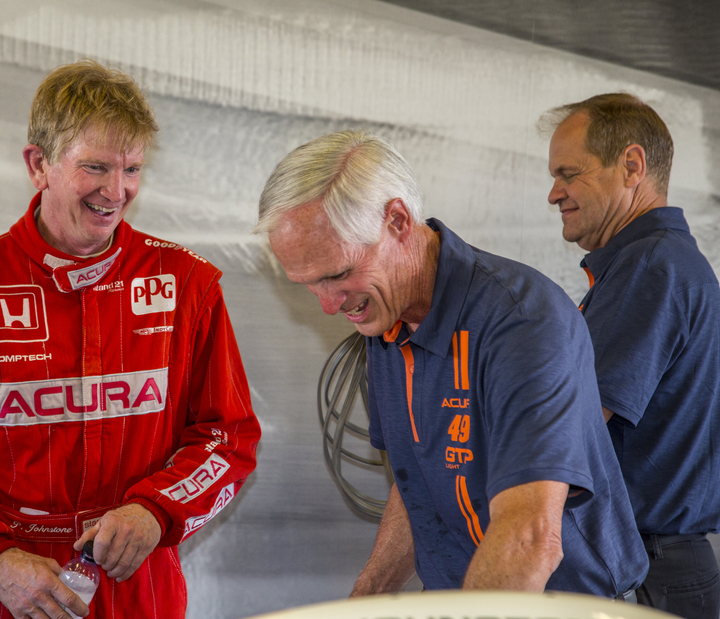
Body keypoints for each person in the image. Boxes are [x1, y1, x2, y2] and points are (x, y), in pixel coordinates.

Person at [0, 59, 261, 619]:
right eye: (95, 167)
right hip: (13, 589)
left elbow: (230, 435)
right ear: (38, 165)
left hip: (139, 585)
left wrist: (154, 511)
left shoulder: (188, 285)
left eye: (132, 170)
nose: (116, 191)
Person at [255, 129, 647, 596]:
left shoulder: (522, 322)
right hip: (460, 598)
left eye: (339, 274)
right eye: (308, 283)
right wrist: (369, 597)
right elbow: (418, 476)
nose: (328, 304)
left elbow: (531, 539)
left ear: (398, 220)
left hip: (560, 603)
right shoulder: (384, 322)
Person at [542, 93, 720, 618]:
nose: (554, 193)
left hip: (642, 572)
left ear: (632, 166)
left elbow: (569, 427)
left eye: (568, 173)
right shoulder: (656, 263)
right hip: (650, 567)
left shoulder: (650, 266)